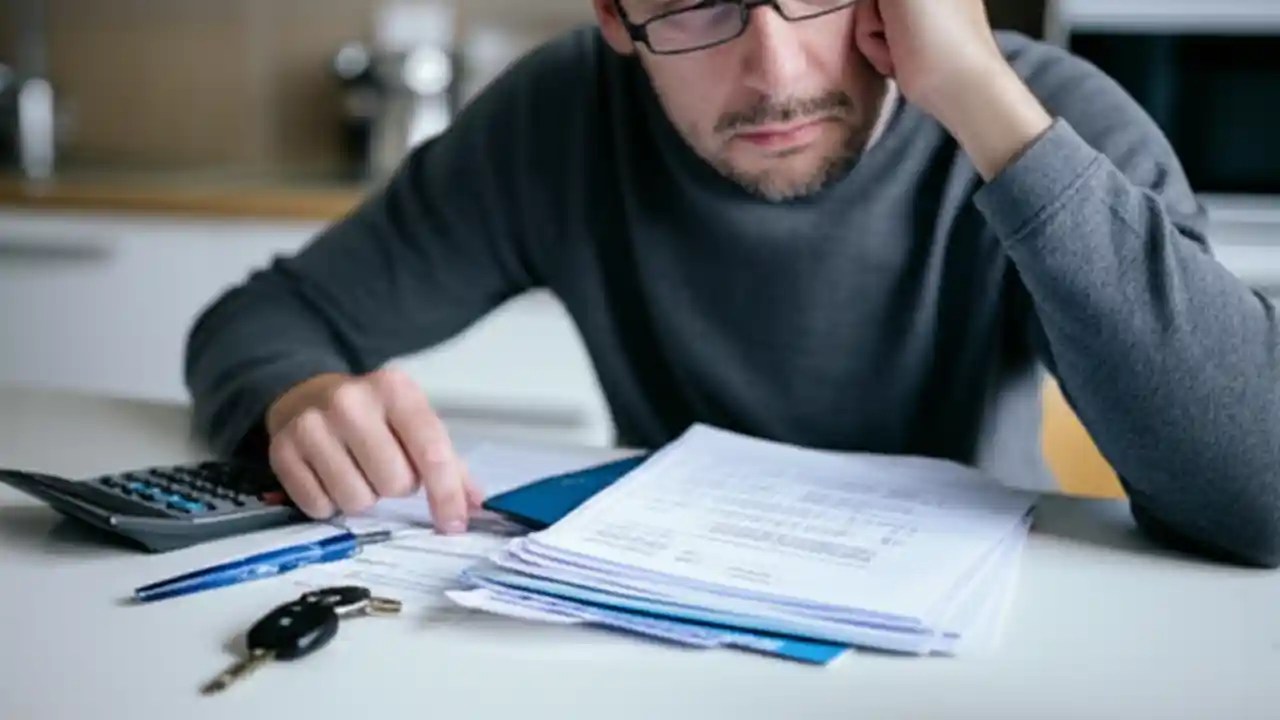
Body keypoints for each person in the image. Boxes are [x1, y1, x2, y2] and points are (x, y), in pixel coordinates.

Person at [184, 0, 1280, 568]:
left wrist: (981, 104)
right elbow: (263, 320)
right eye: (699, 5)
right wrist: (296, 396)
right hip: (646, 634)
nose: (776, 72)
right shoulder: (560, 116)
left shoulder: (1035, 121)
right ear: (616, 17)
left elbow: (1261, 494)